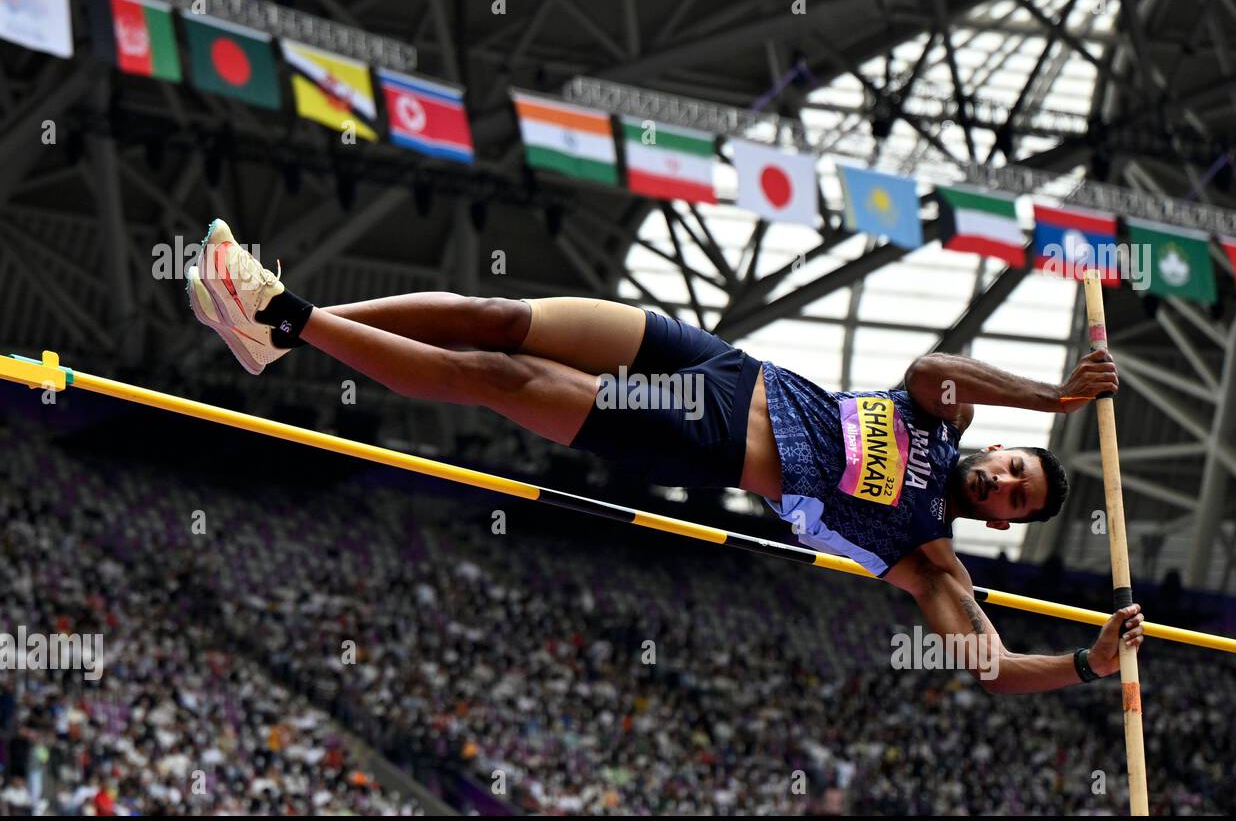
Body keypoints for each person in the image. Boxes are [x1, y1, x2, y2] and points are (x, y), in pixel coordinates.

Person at [185, 219, 1143, 694]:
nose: (1008, 483)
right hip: (720, 365)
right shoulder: (941, 415)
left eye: (1017, 498)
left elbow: (988, 662)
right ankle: (281, 322)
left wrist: (1087, 667)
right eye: (1020, 464)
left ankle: (284, 318)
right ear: (1007, 446)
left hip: (704, 432)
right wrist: (1054, 393)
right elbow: (939, 364)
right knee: (502, 317)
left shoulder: (929, 551)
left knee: (492, 375)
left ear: (1003, 522)